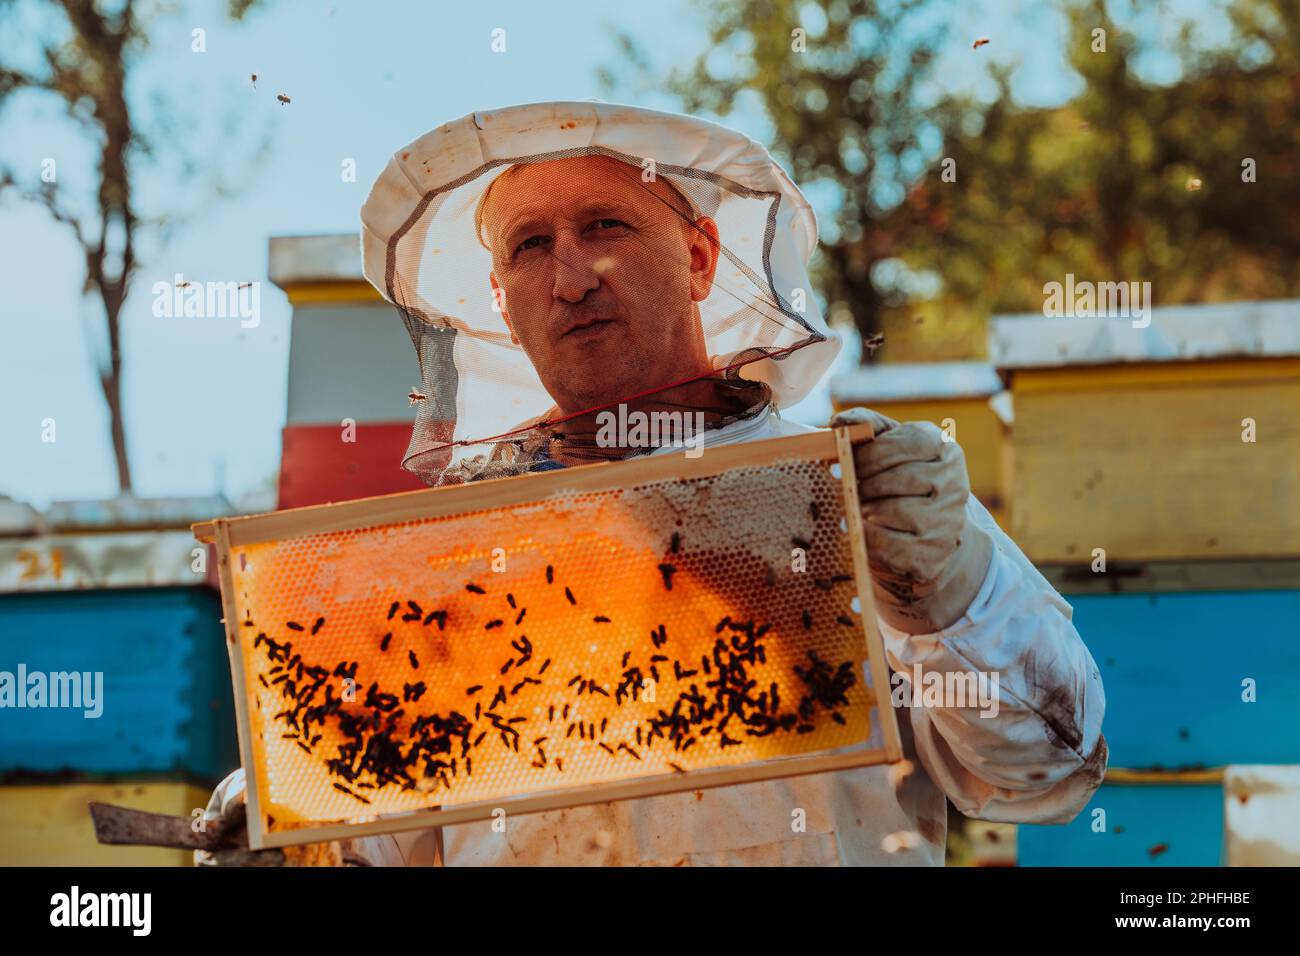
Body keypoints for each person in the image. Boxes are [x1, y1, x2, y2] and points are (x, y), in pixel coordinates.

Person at [197, 101, 1106, 866]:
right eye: (528, 246)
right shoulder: (450, 563)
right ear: (502, 307)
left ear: (702, 255)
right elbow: (376, 838)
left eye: (606, 226)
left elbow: (1044, 775)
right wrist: (283, 819)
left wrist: (952, 596)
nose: (568, 276)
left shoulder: (858, 498)